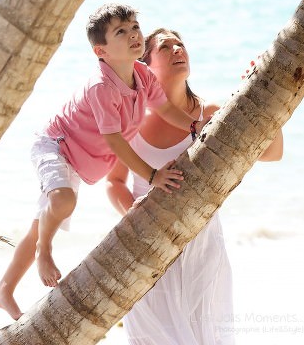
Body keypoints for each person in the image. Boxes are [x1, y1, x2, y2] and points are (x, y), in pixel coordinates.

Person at [0, 3, 207, 321]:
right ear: (100, 51)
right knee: (62, 201)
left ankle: (4, 290)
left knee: (43, 220)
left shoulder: (143, 75)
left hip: (78, 160)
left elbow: (165, 111)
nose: (134, 34)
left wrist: (195, 124)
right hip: (56, 147)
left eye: (135, 27)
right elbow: (116, 140)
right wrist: (152, 175)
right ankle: (45, 252)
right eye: (122, 31)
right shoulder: (102, 87)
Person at [105, 28, 283, 344]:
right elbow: (114, 182)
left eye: (180, 45)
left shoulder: (210, 115)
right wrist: (135, 217)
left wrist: (268, 100)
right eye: (165, 46)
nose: (177, 50)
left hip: (203, 251)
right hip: (148, 253)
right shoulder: (131, 120)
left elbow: (272, 153)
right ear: (144, 66)